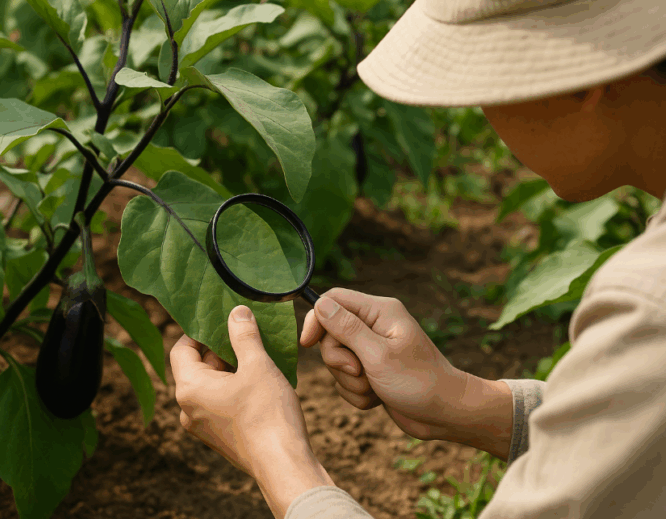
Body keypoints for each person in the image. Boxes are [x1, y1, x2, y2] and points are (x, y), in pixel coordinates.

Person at [169, 0, 666, 517]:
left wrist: (275, 452)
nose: (482, 112)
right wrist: (464, 403)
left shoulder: (650, 302)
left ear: (579, 76)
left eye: (486, 85)